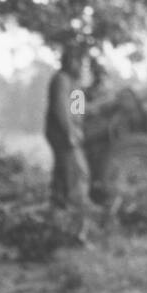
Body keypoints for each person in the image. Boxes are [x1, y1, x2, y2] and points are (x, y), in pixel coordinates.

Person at [45, 44, 92, 244]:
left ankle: (59, 230)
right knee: (78, 179)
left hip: (69, 138)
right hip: (64, 139)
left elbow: (78, 113)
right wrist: (71, 133)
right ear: (70, 62)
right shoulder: (62, 80)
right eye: (79, 62)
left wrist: (78, 129)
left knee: (64, 183)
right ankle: (77, 235)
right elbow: (60, 108)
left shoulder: (75, 83)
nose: (81, 66)